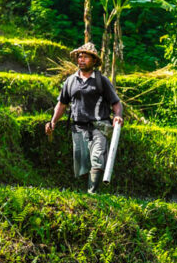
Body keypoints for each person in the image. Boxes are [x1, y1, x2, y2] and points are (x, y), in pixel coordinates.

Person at [45, 42, 123, 194]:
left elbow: (116, 103)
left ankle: (92, 193)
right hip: (78, 127)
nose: (81, 59)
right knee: (81, 166)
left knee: (97, 158)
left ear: (94, 61)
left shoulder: (101, 81)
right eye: (80, 57)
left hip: (99, 126)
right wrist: (53, 122)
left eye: (85, 57)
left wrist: (118, 116)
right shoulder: (70, 81)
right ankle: (85, 194)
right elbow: (61, 104)